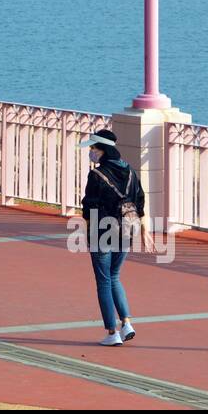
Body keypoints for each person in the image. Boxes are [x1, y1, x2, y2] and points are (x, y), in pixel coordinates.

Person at [79, 128, 145, 346]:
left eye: (93, 148)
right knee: (114, 276)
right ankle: (127, 323)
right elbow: (140, 201)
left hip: (103, 231)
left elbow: (89, 206)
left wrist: (89, 232)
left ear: (102, 150)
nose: (91, 151)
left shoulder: (96, 175)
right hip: (127, 230)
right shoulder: (131, 172)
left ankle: (111, 332)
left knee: (104, 281)